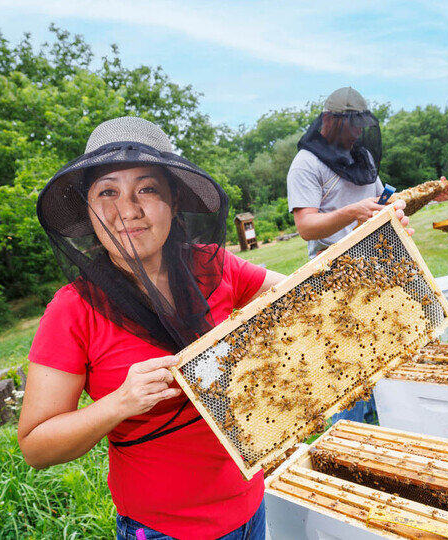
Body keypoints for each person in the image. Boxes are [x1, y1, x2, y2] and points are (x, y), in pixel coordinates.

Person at [18, 116, 285, 540]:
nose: (128, 209)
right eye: (108, 191)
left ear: (174, 201)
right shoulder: (71, 311)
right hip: (164, 530)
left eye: (147, 188)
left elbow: (306, 296)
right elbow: (35, 445)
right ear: (89, 210)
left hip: (251, 502)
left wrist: (374, 244)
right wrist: (119, 403)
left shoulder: (212, 265)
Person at [286, 87, 448, 424]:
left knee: (386, 347)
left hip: (377, 264)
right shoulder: (305, 163)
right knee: (346, 365)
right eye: (352, 125)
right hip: (334, 272)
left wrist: (428, 193)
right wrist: (350, 212)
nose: (359, 132)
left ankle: (386, 423)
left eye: (362, 125)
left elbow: (382, 203)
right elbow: (305, 225)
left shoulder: (363, 158)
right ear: (330, 121)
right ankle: (349, 436)